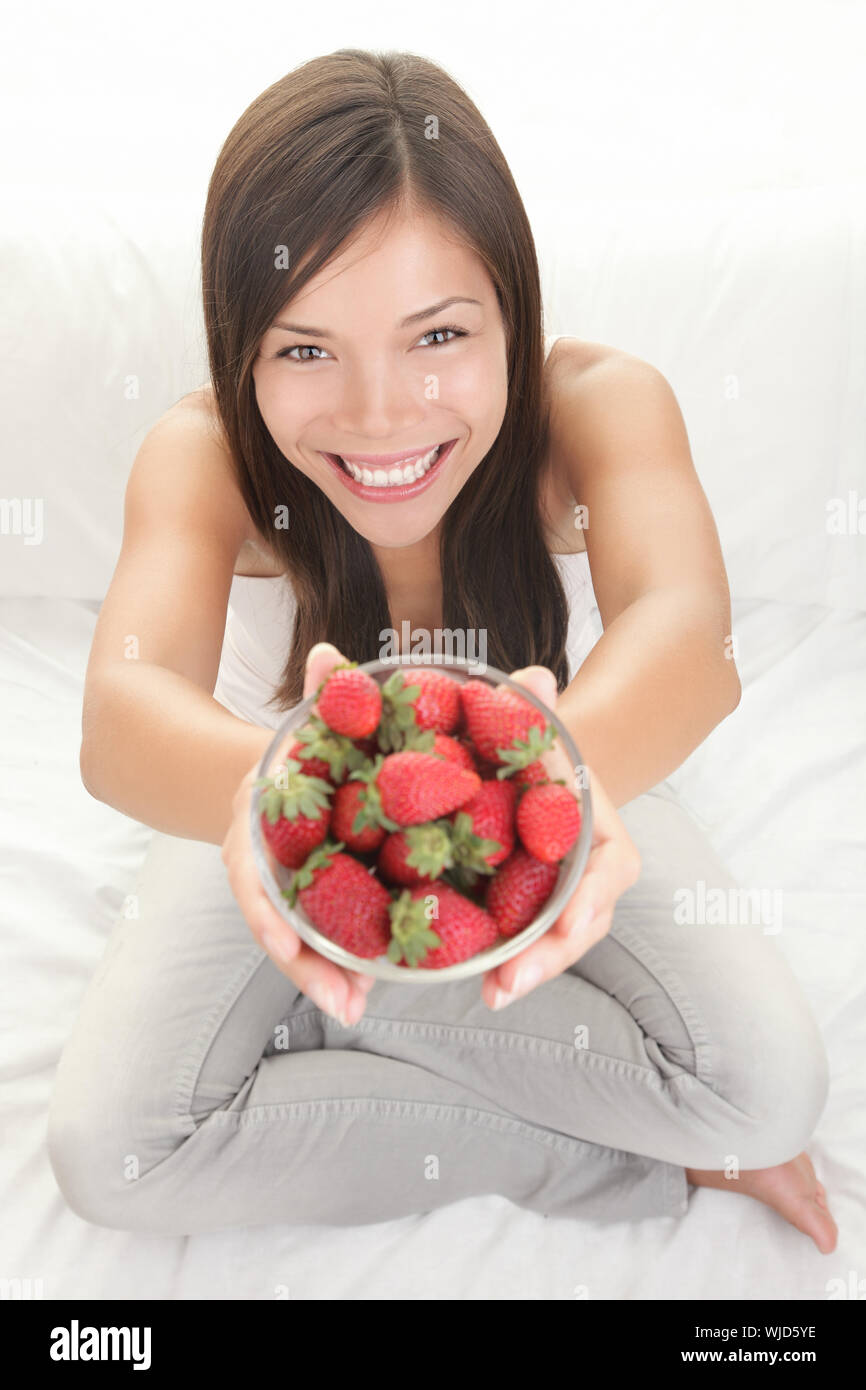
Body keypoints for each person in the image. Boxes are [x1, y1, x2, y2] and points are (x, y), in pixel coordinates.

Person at [47, 48, 836, 1253]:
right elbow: (122, 708)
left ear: (513, 312)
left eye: (437, 335)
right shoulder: (201, 453)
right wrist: (308, 808)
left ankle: (338, 1022)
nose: (379, 413)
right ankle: (627, 1147)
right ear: (237, 348)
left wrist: (546, 779)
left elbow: (690, 636)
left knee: (769, 1089)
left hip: (553, 769)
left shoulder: (601, 404)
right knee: (115, 1148)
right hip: (288, 790)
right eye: (304, 350)